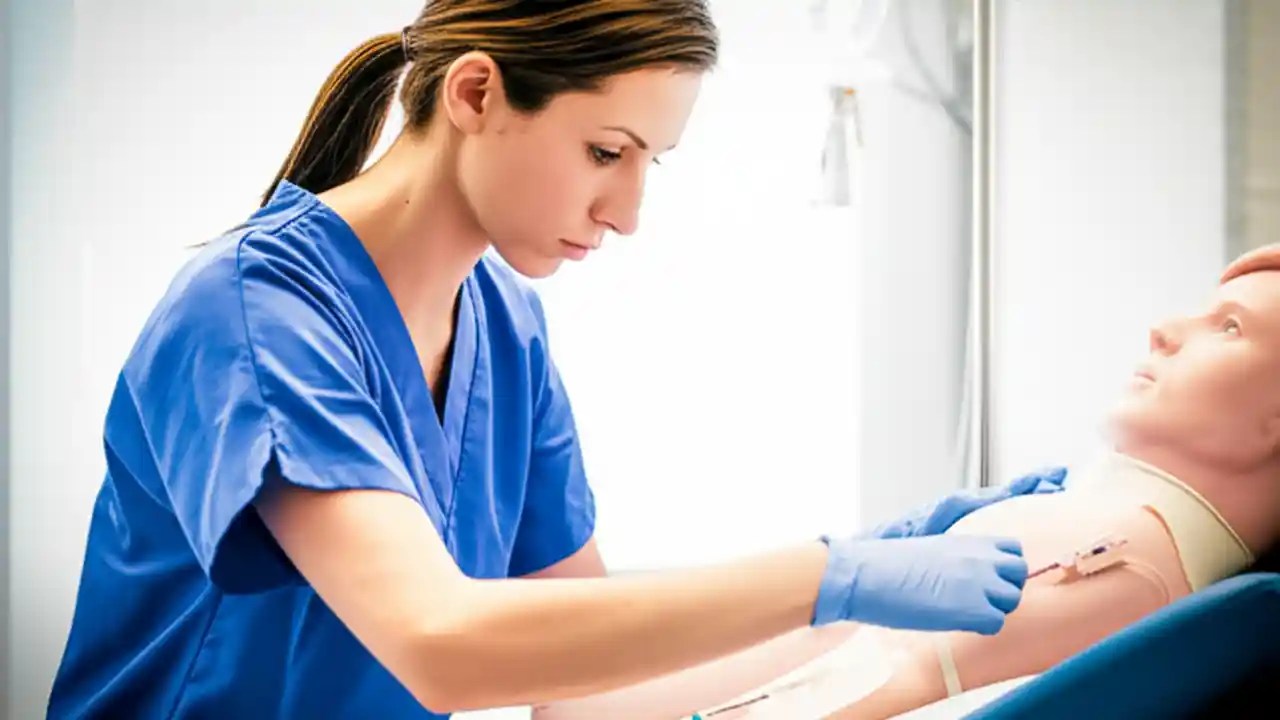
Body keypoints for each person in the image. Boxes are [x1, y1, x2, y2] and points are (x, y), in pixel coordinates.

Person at [45, 3, 1064, 718]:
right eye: (605, 153)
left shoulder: (502, 324)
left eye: (647, 166)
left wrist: (880, 572)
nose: (626, 214)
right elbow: (440, 643)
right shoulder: (256, 315)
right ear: (476, 91)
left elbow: (587, 694)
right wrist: (833, 575)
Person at [535, 242, 1280, 720]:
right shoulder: (1123, 541)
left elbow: (873, 686)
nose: (1164, 330)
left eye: (1229, 328)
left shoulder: (1125, 556)